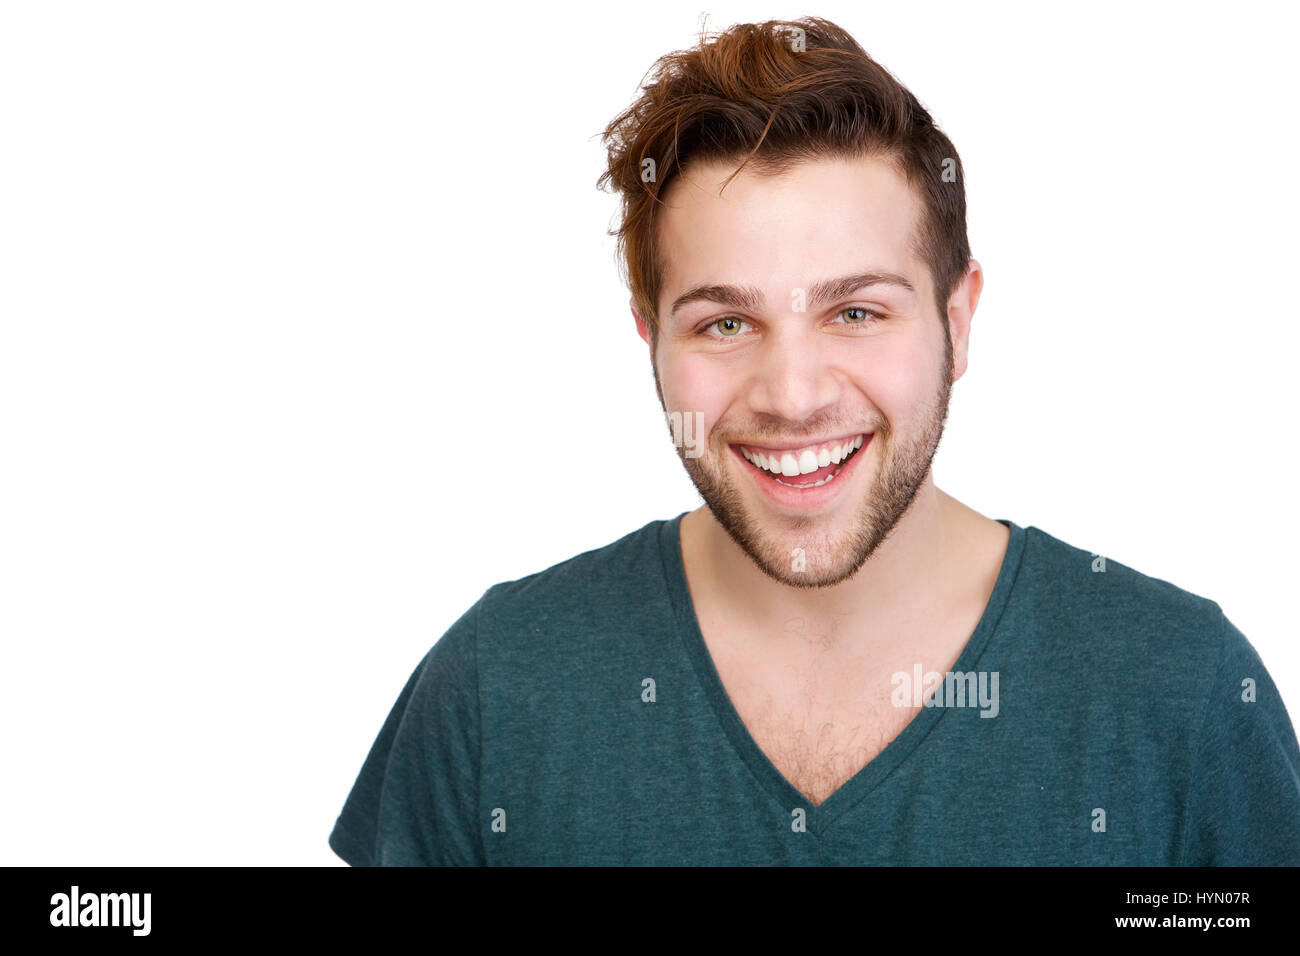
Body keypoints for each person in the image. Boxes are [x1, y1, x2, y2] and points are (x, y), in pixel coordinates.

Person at [329, 16, 1300, 865]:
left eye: (856, 311)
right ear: (649, 334)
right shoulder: (496, 685)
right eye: (723, 321)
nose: (791, 396)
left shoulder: (1182, 689)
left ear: (958, 321)